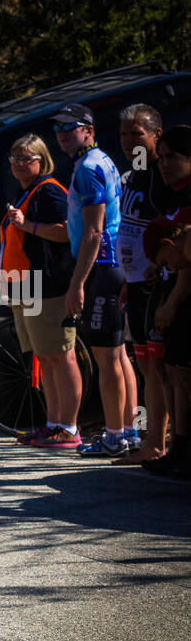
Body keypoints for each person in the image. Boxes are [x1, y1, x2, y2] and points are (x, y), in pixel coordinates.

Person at [51, 103, 137, 457]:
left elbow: (93, 232)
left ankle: (114, 435)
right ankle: (129, 431)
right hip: (113, 265)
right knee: (119, 356)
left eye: (69, 127)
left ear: (88, 129)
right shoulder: (100, 160)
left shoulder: (87, 168)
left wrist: (77, 284)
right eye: (58, 129)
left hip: (102, 266)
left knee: (107, 358)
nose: (62, 134)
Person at [0, 135, 79, 447]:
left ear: (42, 160)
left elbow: (68, 232)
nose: (19, 163)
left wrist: (28, 224)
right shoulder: (25, 192)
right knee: (45, 358)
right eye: (15, 158)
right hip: (25, 287)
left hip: (49, 287)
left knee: (62, 355)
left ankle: (69, 428)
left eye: (27, 157)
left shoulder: (49, 191)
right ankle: (53, 423)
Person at [115, 104, 174, 462]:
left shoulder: (160, 176)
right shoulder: (133, 175)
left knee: (161, 368)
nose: (127, 141)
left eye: (136, 134)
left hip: (157, 284)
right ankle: (154, 441)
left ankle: (159, 444)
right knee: (145, 365)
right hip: (134, 284)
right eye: (122, 134)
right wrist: (126, 280)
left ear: (156, 136)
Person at [140, 124, 191, 477]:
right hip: (170, 291)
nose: (163, 164)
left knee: (184, 375)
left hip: (183, 300)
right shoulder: (174, 196)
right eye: (161, 157)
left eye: (173, 157)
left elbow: (188, 263)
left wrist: (172, 303)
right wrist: (158, 266)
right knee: (175, 374)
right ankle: (179, 449)